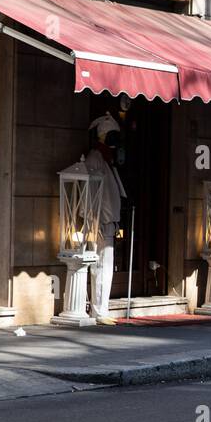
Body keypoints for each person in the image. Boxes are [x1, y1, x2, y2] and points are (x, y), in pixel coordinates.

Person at [85, 113, 126, 324]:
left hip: (108, 220)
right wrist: (95, 219)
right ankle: (99, 310)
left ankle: (102, 308)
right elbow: (92, 192)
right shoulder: (95, 158)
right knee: (100, 266)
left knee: (106, 266)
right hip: (99, 221)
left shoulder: (107, 159)